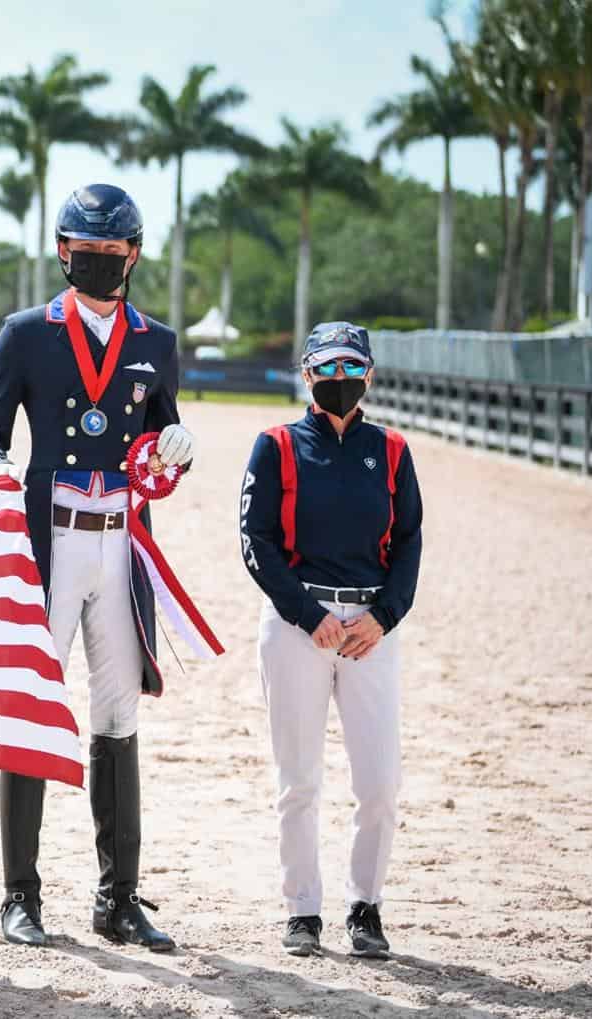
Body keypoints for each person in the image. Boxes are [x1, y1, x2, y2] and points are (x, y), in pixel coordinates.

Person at [0, 183, 193, 953]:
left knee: (118, 718)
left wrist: (178, 444)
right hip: (51, 539)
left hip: (122, 539)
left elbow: (159, 437)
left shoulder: (156, 342)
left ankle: (118, 898)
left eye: (112, 253)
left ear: (134, 255)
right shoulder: (26, 332)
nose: (98, 264)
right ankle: (20, 897)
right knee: (33, 709)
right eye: (85, 253)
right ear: (63, 252)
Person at [238, 321, 422, 959]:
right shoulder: (277, 445)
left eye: (351, 370)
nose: (339, 382)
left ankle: (366, 906)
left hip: (371, 630)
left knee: (379, 782)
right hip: (299, 629)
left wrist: (386, 616)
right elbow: (254, 541)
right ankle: (303, 911)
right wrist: (303, 612)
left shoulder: (392, 451)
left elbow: (409, 544)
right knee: (299, 782)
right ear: (307, 373)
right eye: (326, 370)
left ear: (369, 375)